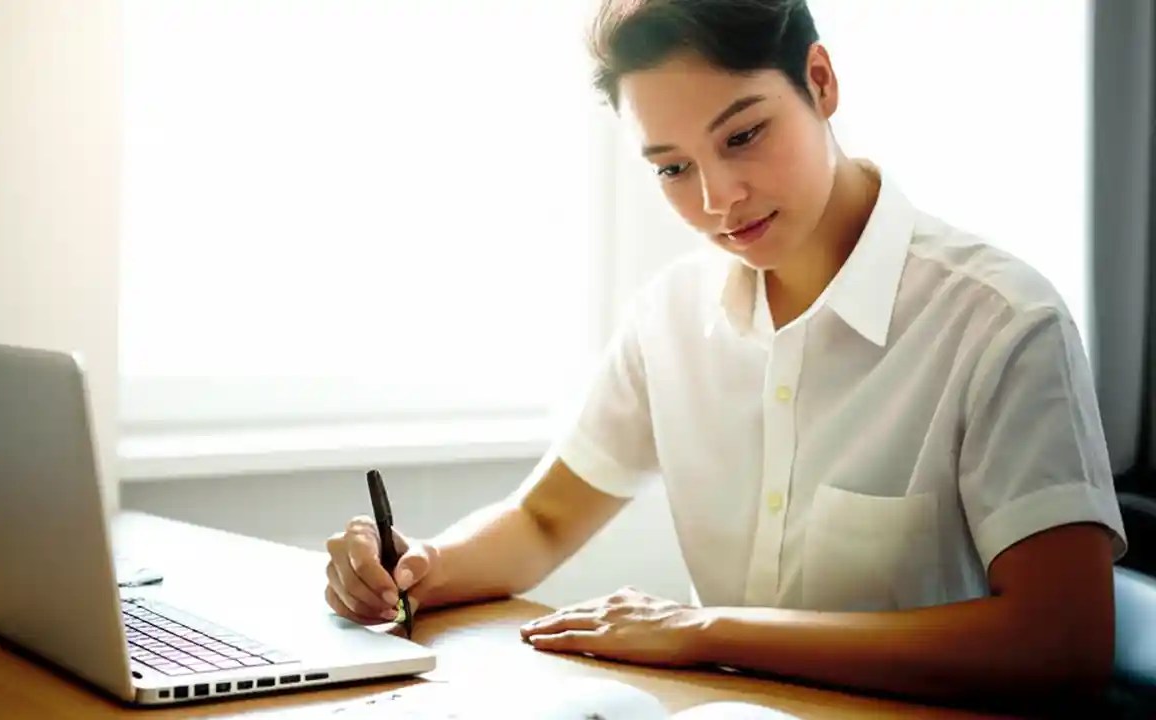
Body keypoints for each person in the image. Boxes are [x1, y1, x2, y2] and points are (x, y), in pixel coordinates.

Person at [323, 0, 1127, 707]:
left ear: (821, 81)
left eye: (742, 135)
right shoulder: (671, 317)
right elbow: (541, 520)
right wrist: (414, 568)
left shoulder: (999, 322)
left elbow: (1060, 643)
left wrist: (707, 632)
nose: (716, 200)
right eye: (672, 167)